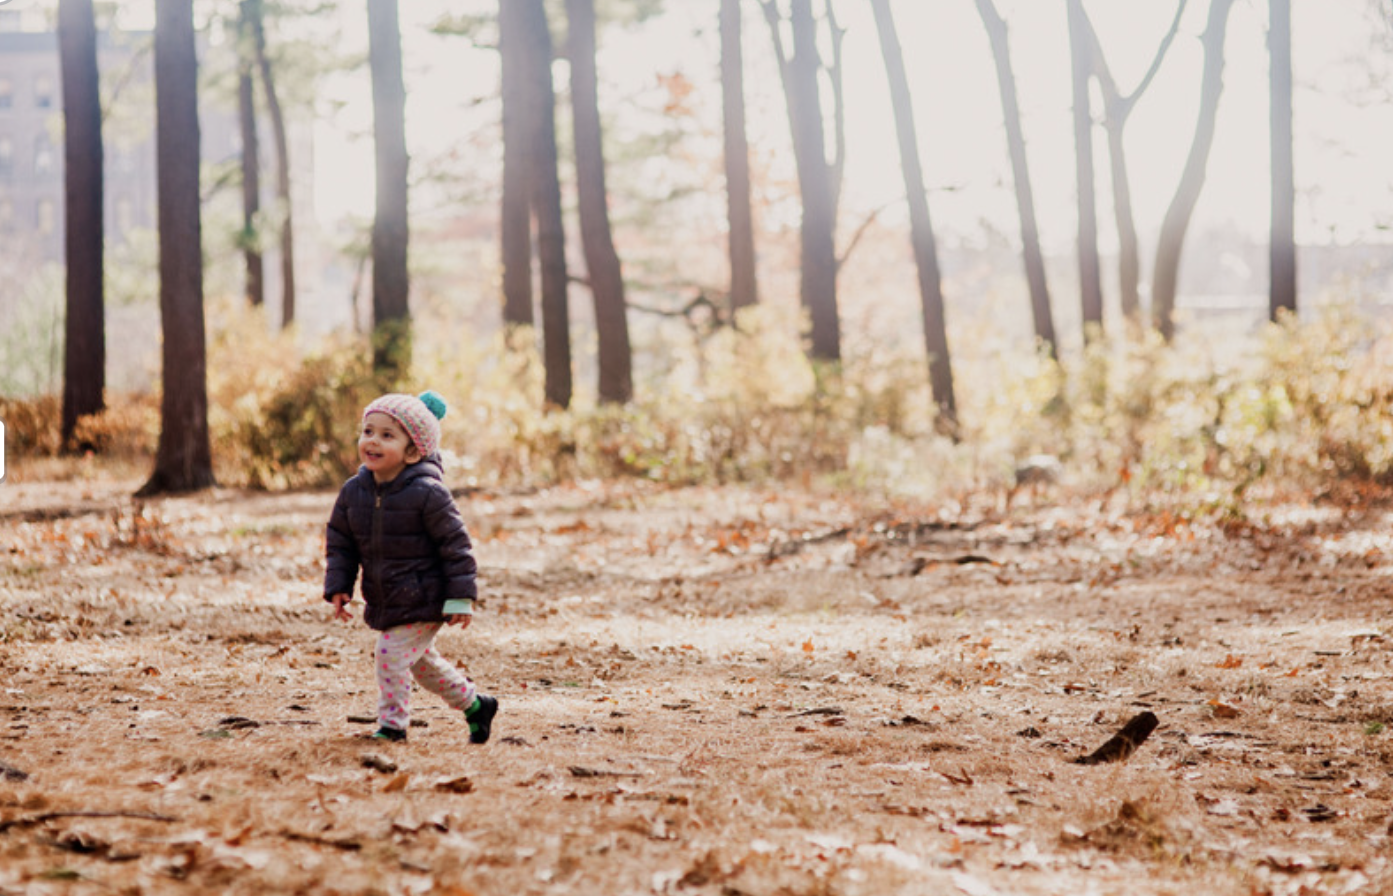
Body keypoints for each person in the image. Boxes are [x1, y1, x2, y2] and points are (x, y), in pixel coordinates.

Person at [324, 390, 498, 743]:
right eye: (368, 431)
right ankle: (476, 705)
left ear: (414, 451)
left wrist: (460, 597)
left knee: (389, 653)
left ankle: (393, 726)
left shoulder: (428, 493)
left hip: (425, 596)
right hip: (388, 598)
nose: (372, 441)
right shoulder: (353, 492)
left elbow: (456, 548)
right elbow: (341, 543)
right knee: (423, 666)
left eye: (387, 435)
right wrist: (339, 585)